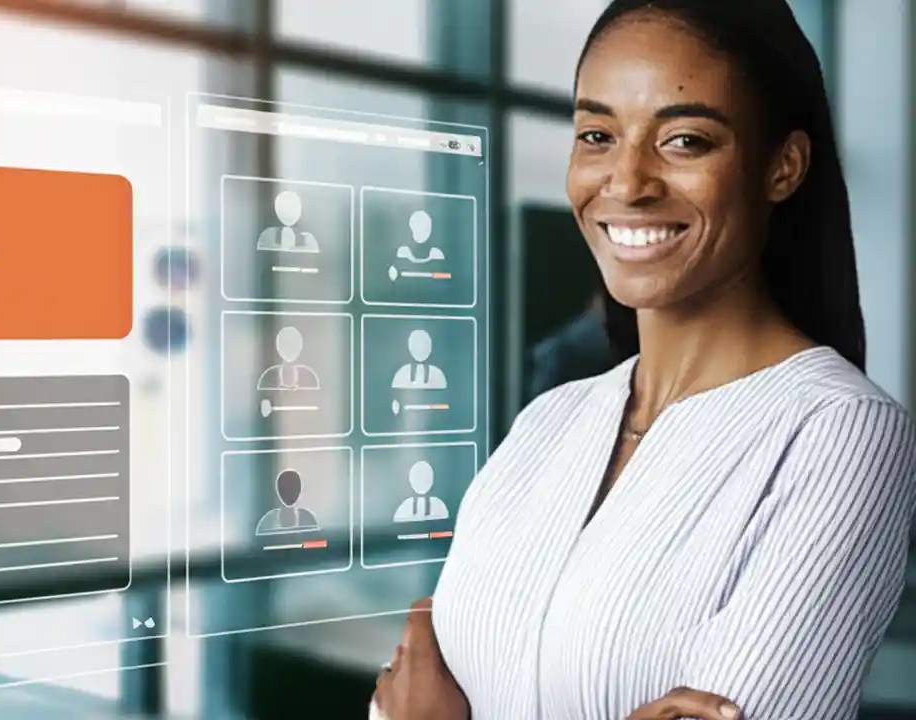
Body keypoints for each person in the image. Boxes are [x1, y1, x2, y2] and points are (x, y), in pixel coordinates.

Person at [372, 2, 916, 719]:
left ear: (783, 166)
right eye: (597, 135)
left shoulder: (842, 433)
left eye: (685, 140)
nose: (626, 183)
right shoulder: (548, 422)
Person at [255, 469, 321, 536]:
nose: (289, 494)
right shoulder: (267, 521)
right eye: (284, 490)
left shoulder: (308, 518)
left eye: (294, 489)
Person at [256, 326, 321, 391]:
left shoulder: (308, 375)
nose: (289, 349)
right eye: (284, 344)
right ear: (278, 347)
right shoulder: (269, 375)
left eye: (294, 345)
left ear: (300, 346)